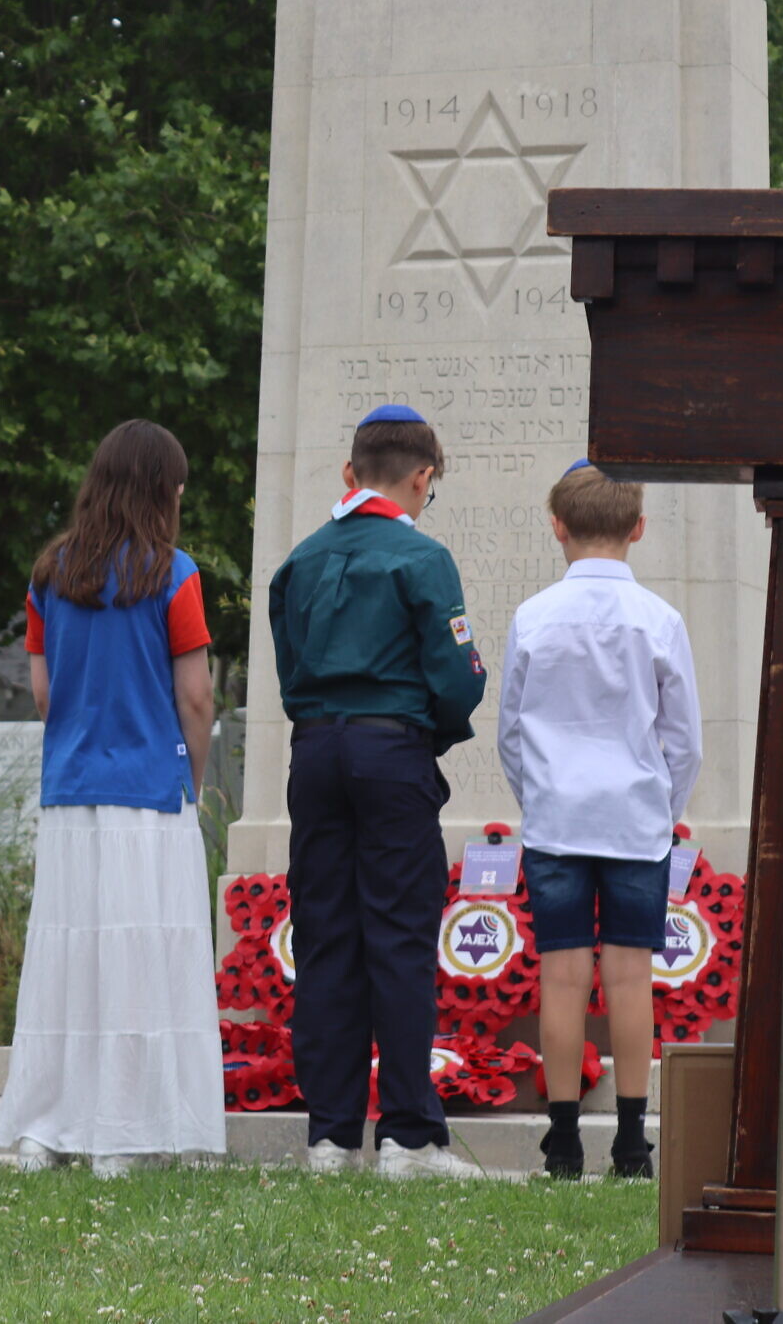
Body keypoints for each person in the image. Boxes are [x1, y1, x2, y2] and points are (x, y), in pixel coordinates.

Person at [0, 419, 227, 1178]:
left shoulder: (49, 573)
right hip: (148, 795)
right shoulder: (175, 573)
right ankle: (125, 1138)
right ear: (161, 489)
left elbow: (42, 691)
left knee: (67, 959)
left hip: (69, 793)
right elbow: (195, 696)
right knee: (144, 957)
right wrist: (193, 778)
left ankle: (42, 1131)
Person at [268, 404, 487, 1180]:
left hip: (317, 752)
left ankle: (329, 1138)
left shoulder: (297, 561)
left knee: (327, 938)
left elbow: (291, 673)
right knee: (397, 939)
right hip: (389, 754)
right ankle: (408, 1136)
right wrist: (426, 729)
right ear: (422, 479)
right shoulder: (420, 558)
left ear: (349, 474)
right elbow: (458, 682)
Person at [495, 461, 701, 1179]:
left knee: (561, 978)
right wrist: (660, 809)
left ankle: (562, 1142)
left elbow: (511, 734)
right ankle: (633, 1142)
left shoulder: (533, 615)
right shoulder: (660, 620)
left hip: (557, 817)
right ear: (637, 528)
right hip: (633, 818)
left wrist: (540, 798)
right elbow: (684, 739)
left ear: (558, 525)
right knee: (629, 978)